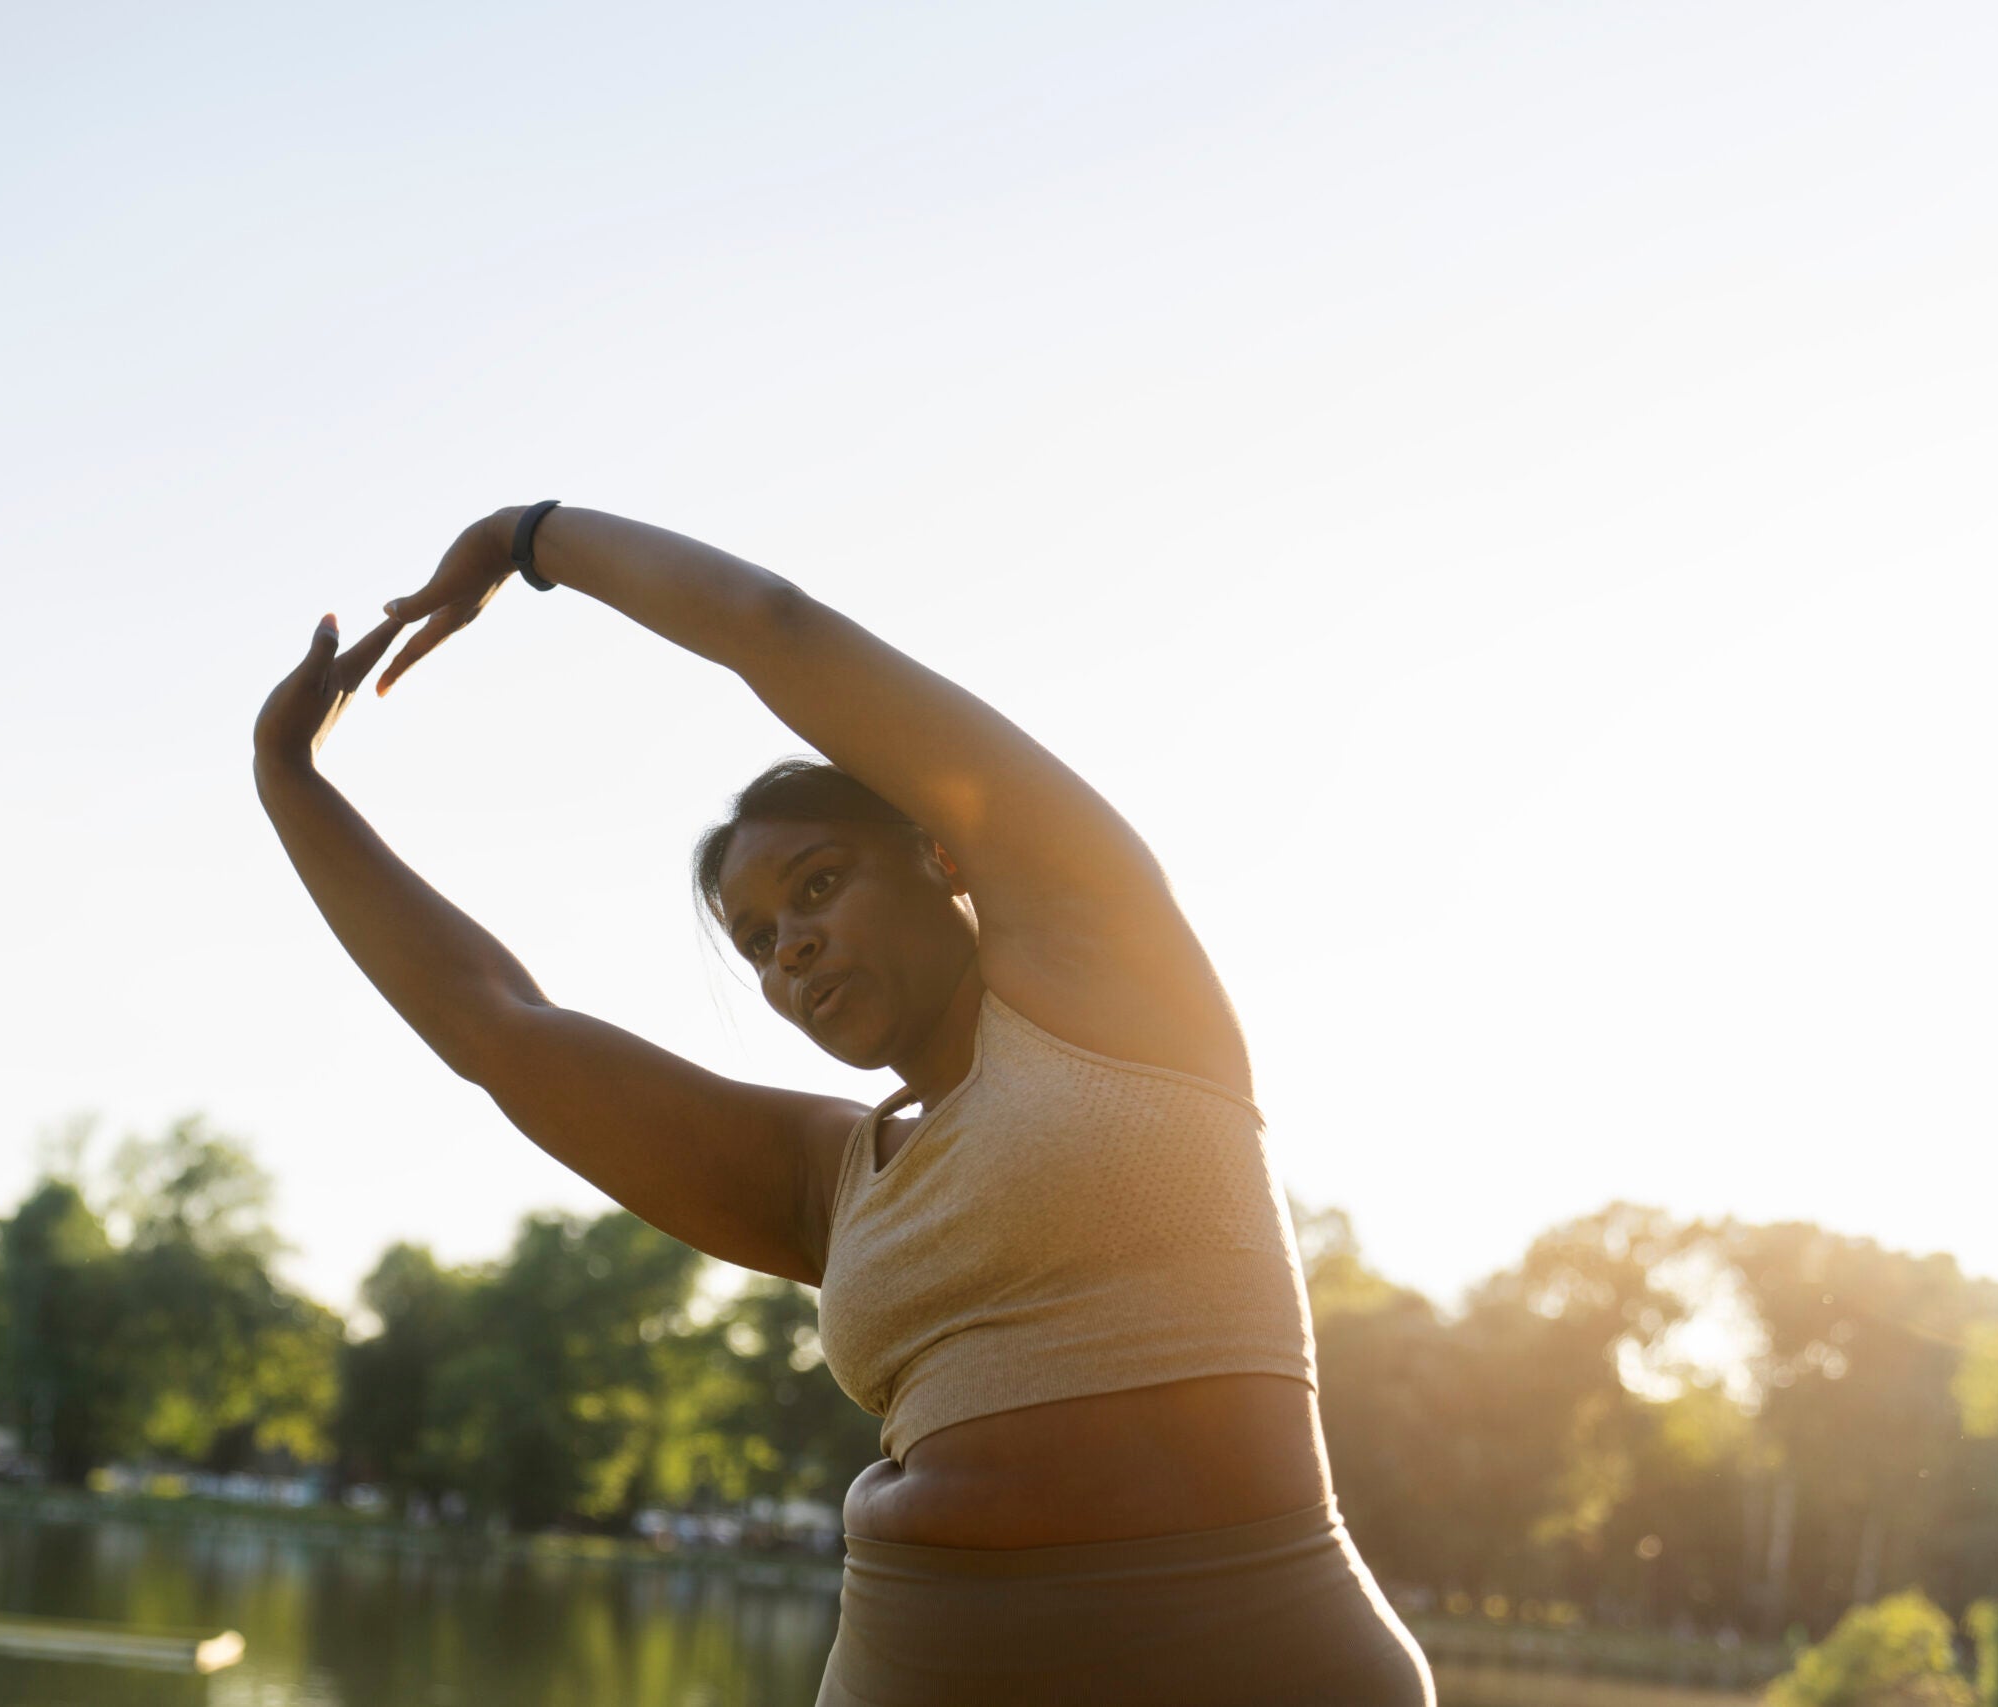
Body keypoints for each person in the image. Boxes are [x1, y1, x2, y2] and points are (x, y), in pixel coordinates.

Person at [253, 503, 1436, 1706]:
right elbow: (495, 1029)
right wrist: (287, 781)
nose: (793, 954)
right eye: (759, 943)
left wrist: (530, 539)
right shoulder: (830, 1179)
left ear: (944, 856)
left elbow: (773, 628)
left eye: (818, 887)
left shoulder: (1110, 983)